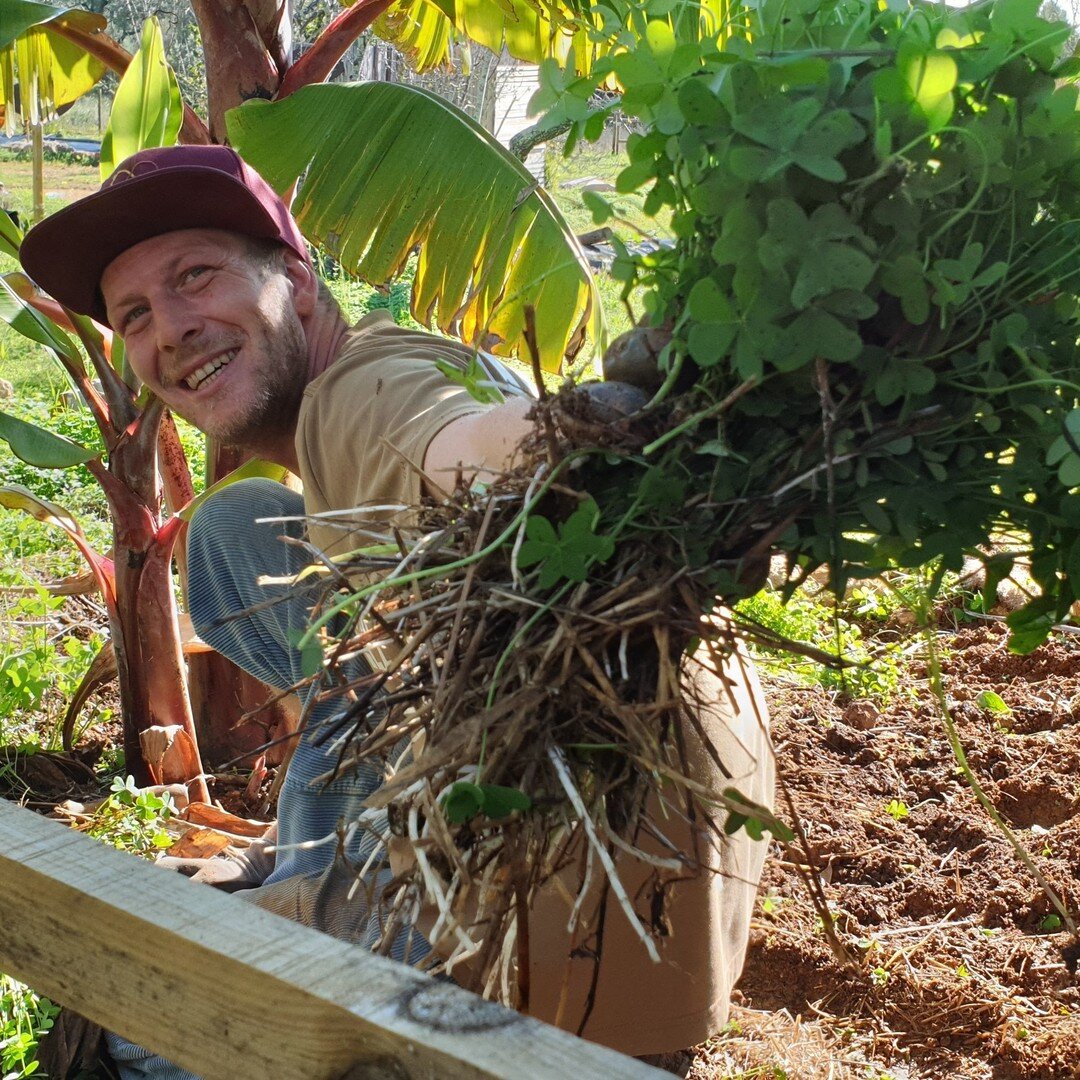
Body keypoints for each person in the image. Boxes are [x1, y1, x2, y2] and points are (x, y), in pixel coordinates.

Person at [20, 145, 774, 1076]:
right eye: (135, 315)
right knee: (239, 531)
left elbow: (456, 452)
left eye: (196, 275)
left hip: (522, 965)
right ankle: (307, 860)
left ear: (297, 282)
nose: (169, 329)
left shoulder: (361, 400)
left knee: (117, 1014)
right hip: (658, 917)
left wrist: (603, 433)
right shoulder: (418, 365)